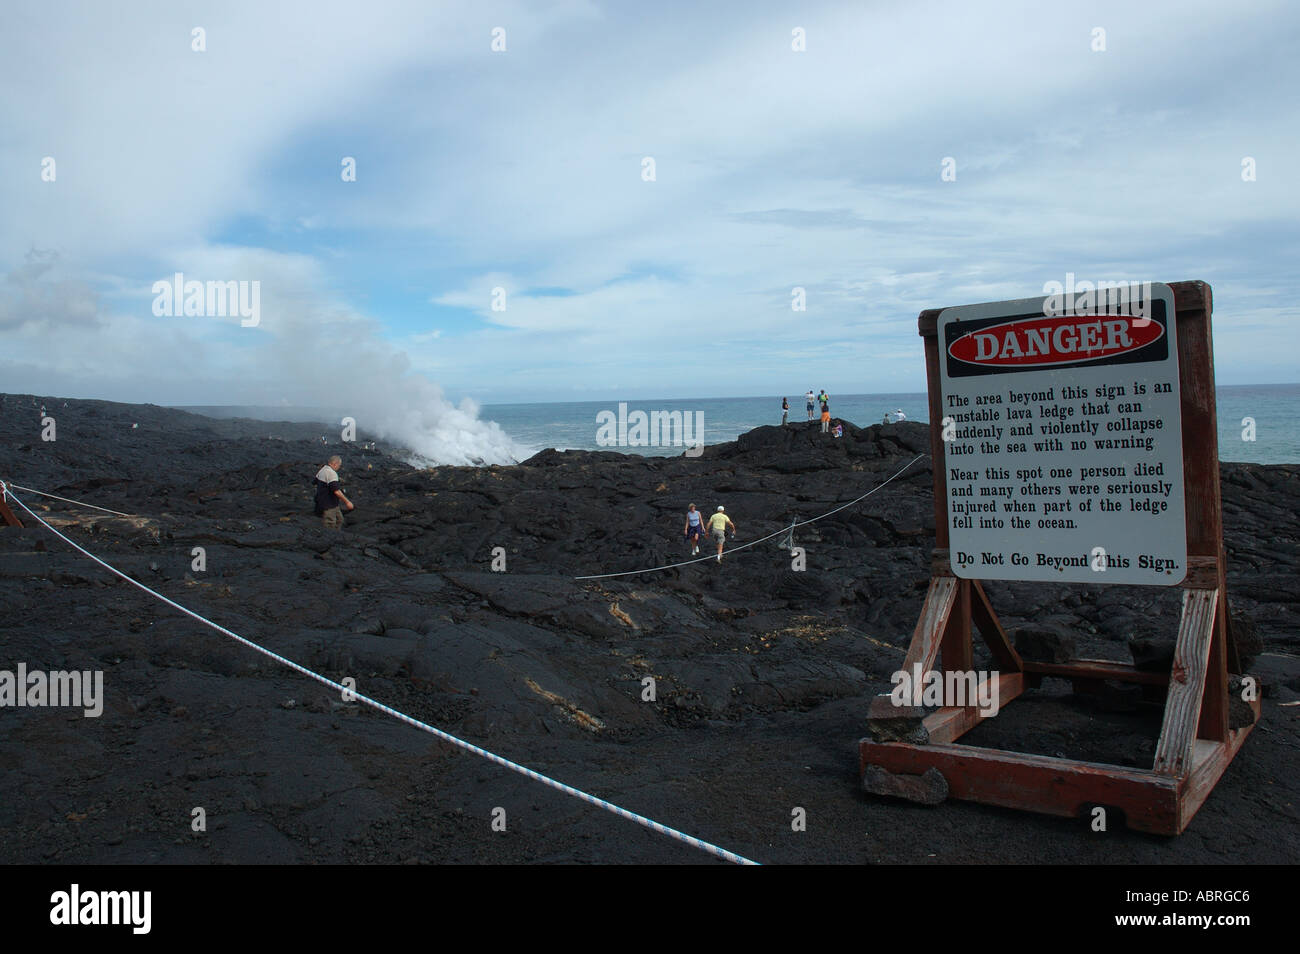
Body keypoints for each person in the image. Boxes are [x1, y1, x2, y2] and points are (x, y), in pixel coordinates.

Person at [314, 455, 354, 529]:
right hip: (328, 504)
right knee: (330, 524)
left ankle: (336, 535)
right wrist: (347, 502)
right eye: (339, 465)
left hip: (327, 502)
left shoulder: (322, 470)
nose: (339, 467)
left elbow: (314, 482)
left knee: (339, 520)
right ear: (335, 464)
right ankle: (330, 537)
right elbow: (336, 491)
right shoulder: (331, 473)